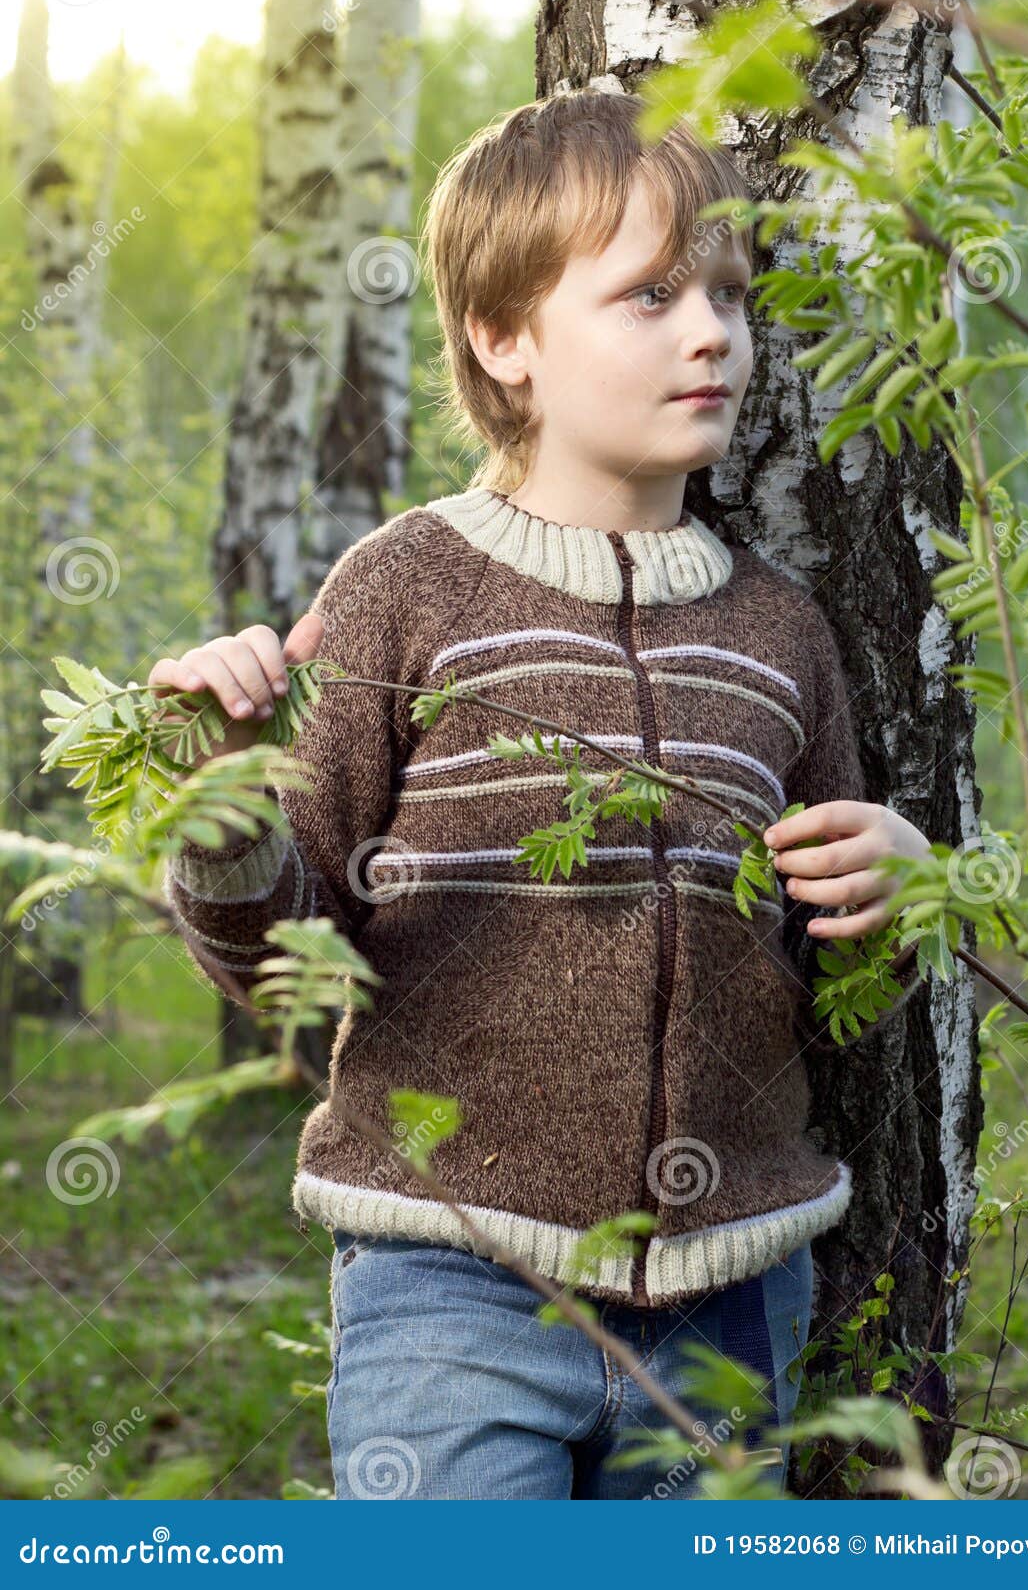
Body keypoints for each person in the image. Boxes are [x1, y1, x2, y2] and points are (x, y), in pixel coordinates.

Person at [151, 89, 931, 1500]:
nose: (712, 333)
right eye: (647, 297)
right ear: (505, 341)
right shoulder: (404, 591)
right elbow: (284, 948)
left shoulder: (782, 633)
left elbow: (839, 982)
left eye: (726, 296)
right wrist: (223, 814)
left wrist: (897, 881)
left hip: (730, 1306)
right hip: (451, 1283)